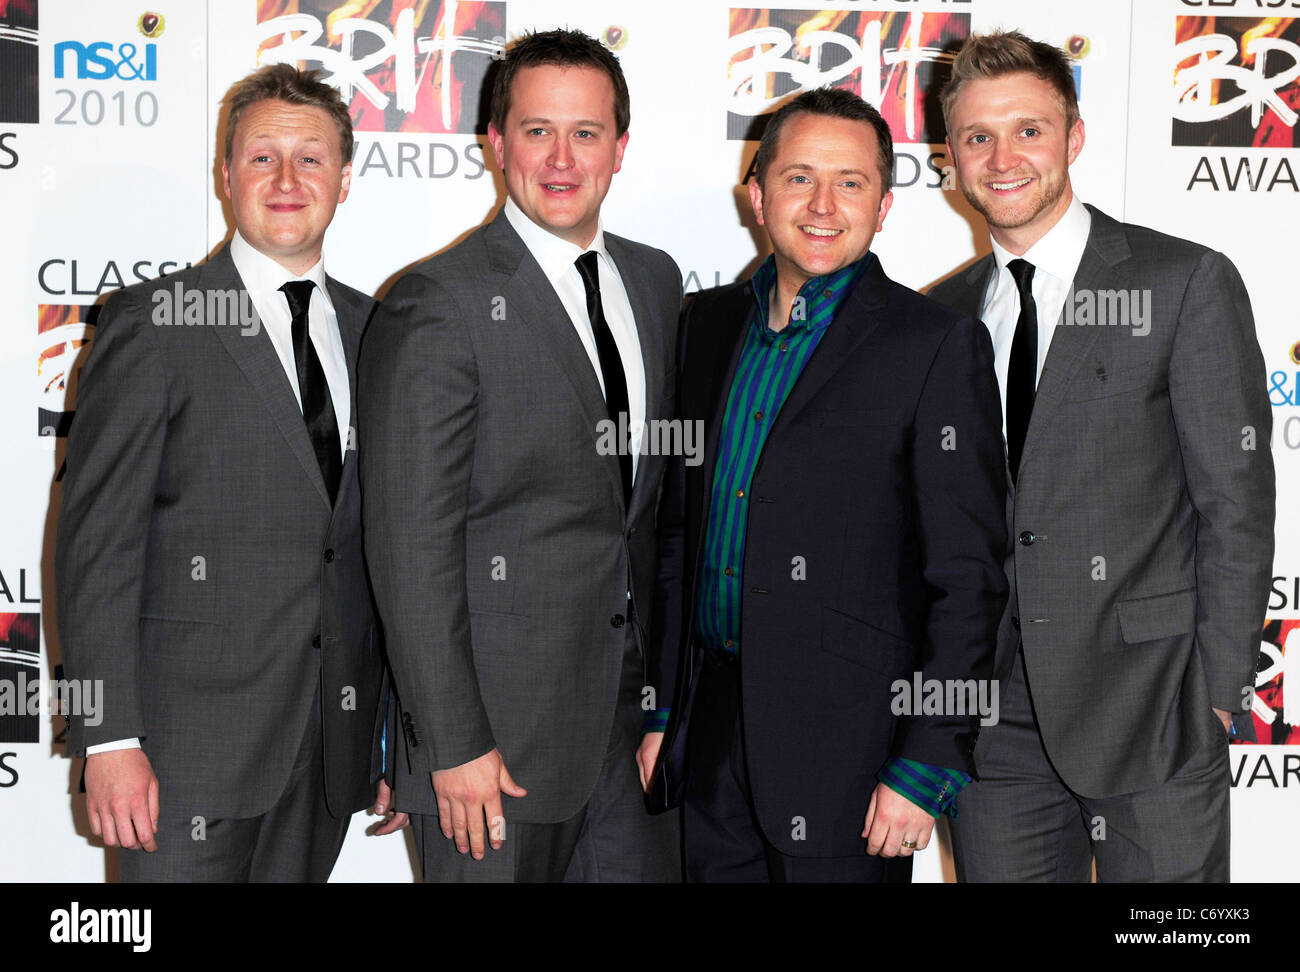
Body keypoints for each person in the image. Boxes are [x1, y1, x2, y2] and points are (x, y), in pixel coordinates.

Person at [930, 29, 1274, 882]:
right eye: (977, 137)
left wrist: (1219, 693)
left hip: (1152, 703)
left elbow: (1235, 500)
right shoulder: (941, 316)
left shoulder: (1180, 281)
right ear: (952, 158)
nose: (1003, 157)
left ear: (1074, 137)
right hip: (993, 723)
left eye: (1028, 130)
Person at [641, 87, 1008, 882]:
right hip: (709, 742)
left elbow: (968, 579)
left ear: (882, 207)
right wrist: (661, 708)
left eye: (851, 182)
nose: (822, 204)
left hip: (856, 759)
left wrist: (925, 766)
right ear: (757, 194)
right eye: (799, 177)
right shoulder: (702, 327)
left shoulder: (935, 344)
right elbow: (678, 534)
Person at [55, 64, 396, 882]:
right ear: (226, 175)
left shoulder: (380, 331)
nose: (287, 179)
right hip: (179, 758)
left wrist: (391, 735)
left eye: (311, 158)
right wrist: (108, 738)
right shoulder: (155, 324)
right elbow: (98, 549)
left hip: (326, 756)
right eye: (261, 157)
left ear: (344, 181)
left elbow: (382, 551)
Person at [359, 29, 681, 882]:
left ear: (620, 147)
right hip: (491, 752)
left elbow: (645, 516)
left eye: (587, 132)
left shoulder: (656, 282)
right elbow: (408, 547)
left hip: (632, 732)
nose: (563, 158)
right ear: (497, 144)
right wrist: (451, 742)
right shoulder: (437, 303)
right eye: (538, 130)